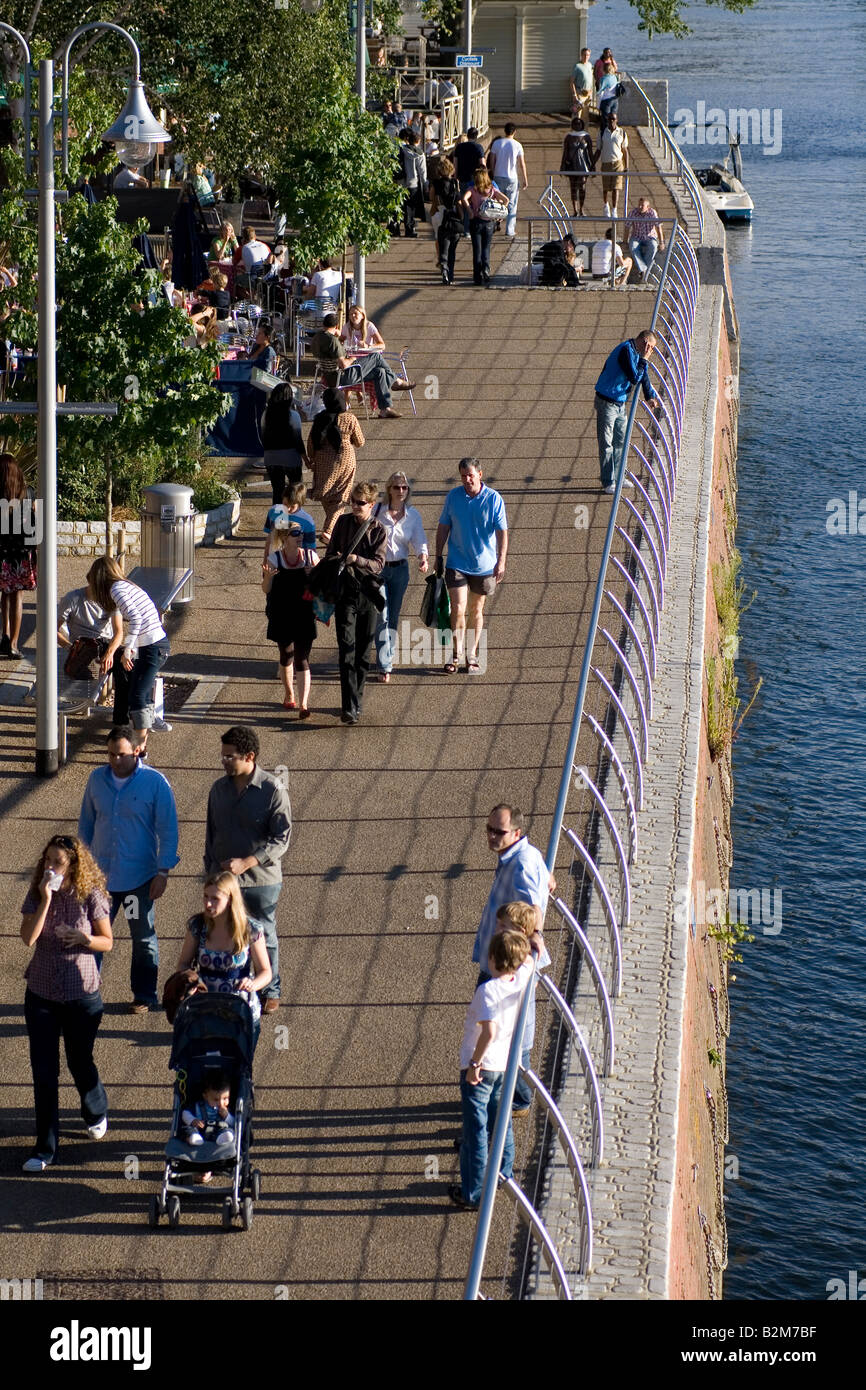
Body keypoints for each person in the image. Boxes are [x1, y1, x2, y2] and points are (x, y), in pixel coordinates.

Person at [19, 834, 113, 1172]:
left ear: (73, 865)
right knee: (44, 1072)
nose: (50, 867)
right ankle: (45, 1148)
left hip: (81, 995)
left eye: (57, 862)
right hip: (42, 993)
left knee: (79, 1061)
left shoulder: (91, 895)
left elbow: (108, 942)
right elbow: (28, 937)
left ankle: (95, 1109)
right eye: (47, 860)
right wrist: (45, 899)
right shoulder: (38, 890)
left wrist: (85, 938)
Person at [78, 726, 179, 1012]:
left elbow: (168, 830)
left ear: (137, 751)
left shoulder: (154, 783)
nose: (114, 760)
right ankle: (88, 990)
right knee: (92, 935)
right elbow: (86, 823)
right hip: (100, 882)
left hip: (137, 881)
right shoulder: (96, 779)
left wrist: (163, 872)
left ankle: (144, 994)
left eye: (121, 754)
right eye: (110, 754)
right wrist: (80, 866)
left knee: (142, 936)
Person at [204, 725, 292, 1014]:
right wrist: (210, 873)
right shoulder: (218, 789)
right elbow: (212, 834)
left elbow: (281, 839)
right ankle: (227, 987)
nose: (224, 762)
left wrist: (247, 862)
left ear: (250, 756)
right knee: (224, 934)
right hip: (224, 882)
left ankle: (270, 990)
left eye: (230, 757)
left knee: (264, 933)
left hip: (261, 882)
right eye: (223, 757)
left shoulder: (272, 789)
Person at [448, 929, 533, 1210]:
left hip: (482, 1069)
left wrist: (474, 1064)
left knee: (477, 1130)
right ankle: (502, 1173)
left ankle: (474, 1193)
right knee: (502, 1122)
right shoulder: (522, 977)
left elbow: (489, 1032)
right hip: (505, 1064)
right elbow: (533, 958)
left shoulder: (488, 991)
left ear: (494, 959)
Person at [175, 873, 272, 1047]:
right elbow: (183, 964)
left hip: (241, 1010)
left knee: (238, 1069)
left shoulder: (251, 929)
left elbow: (266, 972)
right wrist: (190, 982)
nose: (208, 903)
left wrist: (252, 984)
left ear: (230, 899)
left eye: (215, 898)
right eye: (205, 896)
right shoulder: (197, 926)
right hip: (204, 1008)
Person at [86, 556, 169, 753]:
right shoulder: (126, 585)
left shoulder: (116, 589)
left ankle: (138, 748)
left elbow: (136, 618)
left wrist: (128, 649)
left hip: (152, 647)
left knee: (138, 696)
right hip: (151, 645)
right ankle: (144, 738)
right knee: (137, 693)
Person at [436, 458, 507, 673]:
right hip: (456, 562)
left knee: (476, 609)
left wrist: (501, 560)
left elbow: (502, 532)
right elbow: (443, 526)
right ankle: (455, 654)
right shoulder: (454, 496)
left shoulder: (494, 499)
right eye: (463, 476)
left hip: (484, 566)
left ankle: (472, 654)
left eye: (471, 475)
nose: (467, 480)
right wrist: (437, 555)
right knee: (457, 609)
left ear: (480, 474)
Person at [325, 481, 387, 725]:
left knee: (362, 653)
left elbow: (378, 565)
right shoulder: (342, 522)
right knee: (346, 650)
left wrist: (356, 559)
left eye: (360, 503)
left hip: (368, 595)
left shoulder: (379, 529)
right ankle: (349, 706)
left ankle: (356, 700)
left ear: (371, 505)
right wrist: (337, 559)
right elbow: (330, 553)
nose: (355, 506)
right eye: (352, 501)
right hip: (345, 594)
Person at [493, 901, 550, 1111]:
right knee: (513, 1063)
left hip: (520, 1027)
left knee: (519, 1065)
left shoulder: (527, 955)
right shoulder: (518, 950)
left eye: (502, 926)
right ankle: (513, 1096)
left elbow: (530, 982)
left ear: (520, 931)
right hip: (513, 1024)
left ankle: (523, 1099)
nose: (497, 930)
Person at [373, 472, 429, 683]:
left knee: (393, 615)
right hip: (377, 569)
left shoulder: (412, 515)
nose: (401, 491)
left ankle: (387, 653)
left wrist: (422, 557)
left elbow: (419, 539)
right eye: (397, 487)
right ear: (389, 489)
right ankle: (385, 664)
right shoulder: (377, 511)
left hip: (400, 569)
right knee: (383, 614)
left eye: (405, 488)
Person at [261, 517, 319, 717]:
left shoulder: (311, 557)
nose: (300, 536)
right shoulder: (274, 559)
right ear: (285, 537)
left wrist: (313, 575)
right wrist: (268, 577)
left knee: (302, 658)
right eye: (295, 533)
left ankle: (303, 704)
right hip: (281, 614)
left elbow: (320, 588)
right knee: (286, 655)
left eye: (301, 532)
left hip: (304, 614)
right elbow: (266, 589)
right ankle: (289, 694)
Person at [310, 313, 414, 421]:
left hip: (327, 375)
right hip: (341, 377)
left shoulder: (317, 337)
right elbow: (343, 364)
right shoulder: (332, 341)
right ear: (337, 326)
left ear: (323, 324)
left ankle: (385, 409)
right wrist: (352, 358)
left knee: (380, 372)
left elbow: (326, 355)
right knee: (376, 356)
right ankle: (396, 381)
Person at [594, 329, 662, 493]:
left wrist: (650, 396)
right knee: (606, 444)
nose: (651, 351)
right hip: (607, 401)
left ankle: (618, 476)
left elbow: (643, 374)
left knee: (620, 442)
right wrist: (645, 359)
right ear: (645, 343)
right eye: (651, 348)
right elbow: (634, 376)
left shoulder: (636, 352)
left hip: (619, 403)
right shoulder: (626, 351)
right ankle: (608, 481)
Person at [307, 387, 365, 541]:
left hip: (323, 459)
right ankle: (328, 530)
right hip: (345, 458)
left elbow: (311, 441)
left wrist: (311, 459)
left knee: (326, 493)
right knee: (341, 495)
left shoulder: (320, 418)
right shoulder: (349, 418)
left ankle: (331, 528)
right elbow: (360, 442)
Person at [0, 452, 37, 659]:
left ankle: (3, 636)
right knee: (17, 596)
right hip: (21, 554)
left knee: (4, 595)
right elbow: (34, 526)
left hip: (1, 554)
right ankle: (13, 644)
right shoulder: (28, 493)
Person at [57, 578, 123, 678]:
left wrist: (110, 653)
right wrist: (70, 648)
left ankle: (123, 693)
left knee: (132, 658)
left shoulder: (112, 598)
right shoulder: (73, 598)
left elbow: (119, 632)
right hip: (85, 646)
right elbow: (50, 631)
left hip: (106, 645)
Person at [461, 168, 508, 287]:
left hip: (476, 222)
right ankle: (486, 271)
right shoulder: (492, 190)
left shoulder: (473, 190)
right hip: (489, 223)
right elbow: (506, 200)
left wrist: (469, 210)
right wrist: (499, 213)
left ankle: (477, 277)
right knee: (486, 248)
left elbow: (464, 199)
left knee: (477, 250)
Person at [261, 382, 307, 503]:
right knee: (295, 491)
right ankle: (294, 517)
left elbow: (263, 437)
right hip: (290, 458)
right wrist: (306, 459)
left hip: (271, 458)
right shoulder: (293, 416)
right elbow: (298, 441)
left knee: (277, 491)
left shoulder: (266, 414)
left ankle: (278, 520)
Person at [486, 122, 528, 238]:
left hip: (498, 176)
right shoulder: (518, 145)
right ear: (514, 132)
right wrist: (525, 178)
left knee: (497, 201)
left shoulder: (497, 144)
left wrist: (493, 173)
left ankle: (493, 224)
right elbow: (522, 163)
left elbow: (492, 160)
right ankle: (510, 229)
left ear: (504, 131)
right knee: (512, 204)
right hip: (512, 178)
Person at [429, 155, 463, 286]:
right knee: (453, 246)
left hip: (439, 213)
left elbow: (431, 197)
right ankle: (451, 274)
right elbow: (458, 199)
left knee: (441, 241)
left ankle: (443, 265)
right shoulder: (455, 183)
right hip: (453, 214)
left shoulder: (436, 183)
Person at [263, 480, 317, 560]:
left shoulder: (308, 521)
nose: (287, 509)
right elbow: (270, 538)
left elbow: (311, 549)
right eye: (285, 504)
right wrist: (265, 559)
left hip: (297, 561)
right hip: (275, 559)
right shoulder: (274, 511)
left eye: (292, 506)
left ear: (300, 503)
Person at [182, 1076, 236, 1148]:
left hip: (219, 1132)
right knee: (187, 1129)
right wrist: (193, 1120)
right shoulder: (199, 1106)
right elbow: (185, 1113)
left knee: (229, 1130)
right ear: (205, 1096)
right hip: (199, 1131)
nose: (221, 1103)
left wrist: (227, 1116)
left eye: (225, 1098)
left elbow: (234, 1123)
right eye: (216, 1100)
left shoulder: (228, 1109)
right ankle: (194, 1138)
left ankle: (224, 1138)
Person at [594, 112, 629, 218]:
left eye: (613, 119)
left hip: (618, 163)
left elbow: (625, 150)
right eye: (609, 119)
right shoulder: (602, 133)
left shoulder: (622, 132)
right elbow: (598, 150)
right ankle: (606, 206)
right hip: (606, 163)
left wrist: (626, 166)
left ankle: (614, 209)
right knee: (605, 188)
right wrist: (592, 164)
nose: (611, 121)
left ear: (616, 120)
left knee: (616, 187)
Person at [454, 126, 486, 235]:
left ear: (467, 135)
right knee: (476, 203)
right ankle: (473, 228)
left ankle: (465, 228)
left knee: (465, 202)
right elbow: (482, 164)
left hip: (463, 178)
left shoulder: (459, 147)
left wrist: (455, 176)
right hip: (475, 179)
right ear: (476, 136)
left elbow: (455, 164)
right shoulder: (479, 148)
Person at [625, 196, 666, 281]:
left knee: (653, 246)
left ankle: (643, 270)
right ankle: (643, 269)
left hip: (650, 237)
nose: (640, 207)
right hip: (637, 236)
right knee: (632, 246)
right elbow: (627, 227)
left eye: (642, 205)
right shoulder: (633, 213)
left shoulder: (652, 213)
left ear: (648, 207)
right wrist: (625, 241)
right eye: (639, 205)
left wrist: (661, 242)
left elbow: (658, 227)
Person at [560, 116, 593, 217]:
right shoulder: (569, 137)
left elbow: (590, 152)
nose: (577, 125)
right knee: (573, 187)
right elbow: (565, 152)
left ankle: (581, 209)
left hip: (583, 166)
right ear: (572, 125)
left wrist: (593, 165)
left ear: (582, 125)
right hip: (572, 165)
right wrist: (562, 165)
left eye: (579, 123)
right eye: (575, 123)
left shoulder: (586, 136)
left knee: (582, 187)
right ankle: (575, 210)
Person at [399, 131, 427, 238]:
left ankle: (396, 227)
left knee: (402, 206)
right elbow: (422, 171)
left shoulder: (402, 150)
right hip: (413, 183)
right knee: (410, 207)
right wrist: (425, 183)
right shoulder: (420, 154)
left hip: (401, 182)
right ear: (418, 141)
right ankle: (409, 229)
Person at [570, 46, 593, 122]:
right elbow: (571, 82)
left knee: (585, 116)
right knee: (577, 114)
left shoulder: (590, 65)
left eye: (588, 55)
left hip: (588, 94)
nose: (586, 56)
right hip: (580, 93)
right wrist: (574, 95)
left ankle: (585, 132)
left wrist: (591, 91)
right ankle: (574, 131)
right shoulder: (577, 66)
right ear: (581, 55)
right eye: (584, 55)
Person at [596, 59, 620, 125]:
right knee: (613, 119)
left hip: (606, 100)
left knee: (605, 121)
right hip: (615, 100)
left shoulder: (603, 78)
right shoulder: (614, 77)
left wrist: (597, 104)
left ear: (604, 69)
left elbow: (601, 91)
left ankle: (604, 134)